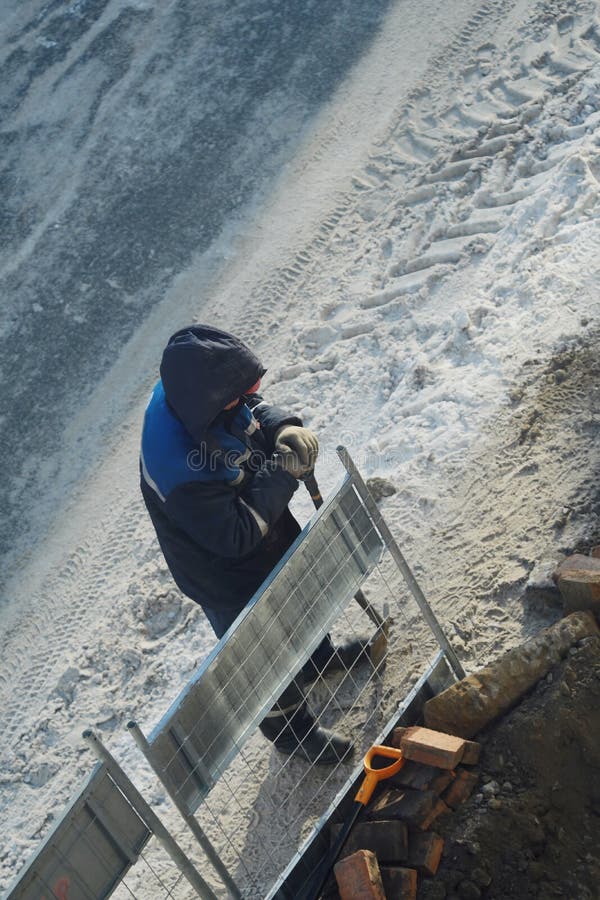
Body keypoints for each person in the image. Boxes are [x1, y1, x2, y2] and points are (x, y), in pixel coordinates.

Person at [140, 324, 368, 764]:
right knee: (262, 657)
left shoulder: (196, 389)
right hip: (225, 573)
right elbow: (237, 535)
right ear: (206, 401)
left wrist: (283, 429)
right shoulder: (177, 469)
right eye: (235, 395)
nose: (242, 399)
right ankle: (292, 735)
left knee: (299, 598)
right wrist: (284, 470)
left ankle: (318, 661)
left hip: (262, 523)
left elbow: (248, 407)